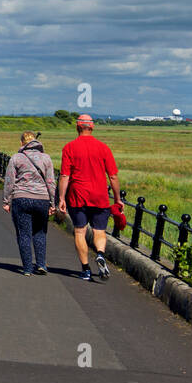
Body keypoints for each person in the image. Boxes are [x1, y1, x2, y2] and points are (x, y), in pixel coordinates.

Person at [57, 114, 121, 282]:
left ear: (77, 127)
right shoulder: (103, 148)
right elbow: (113, 176)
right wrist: (117, 198)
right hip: (100, 197)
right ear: (92, 127)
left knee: (80, 231)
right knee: (99, 231)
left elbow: (64, 175)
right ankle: (100, 254)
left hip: (77, 196)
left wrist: (61, 198)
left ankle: (85, 269)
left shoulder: (69, 148)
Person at [3, 131, 56, 276]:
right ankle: (41, 264)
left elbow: (9, 181)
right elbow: (51, 182)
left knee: (24, 234)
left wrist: (6, 200)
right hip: (42, 200)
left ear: (22, 143)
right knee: (40, 232)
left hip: (21, 199)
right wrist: (53, 203)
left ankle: (27, 268)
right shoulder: (46, 158)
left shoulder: (16, 158)